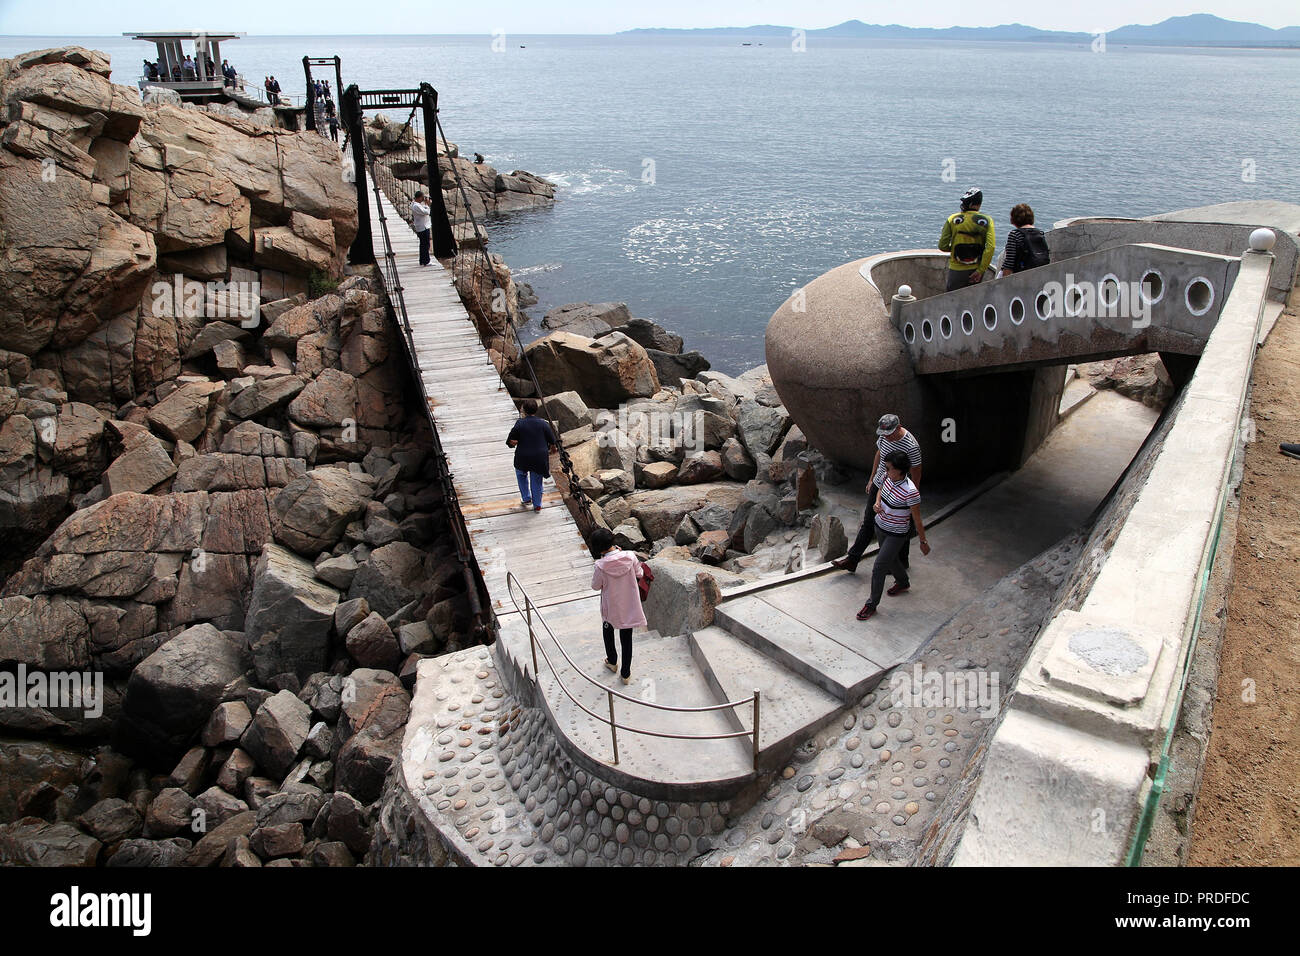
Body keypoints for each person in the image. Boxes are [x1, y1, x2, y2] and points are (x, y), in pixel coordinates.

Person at [834, 413, 923, 573]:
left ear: (898, 428)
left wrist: (912, 496)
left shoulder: (911, 445)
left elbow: (916, 471)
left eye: (889, 434)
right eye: (883, 435)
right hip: (880, 483)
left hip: (899, 488)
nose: (886, 438)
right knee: (869, 522)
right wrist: (871, 478)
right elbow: (879, 454)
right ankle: (852, 559)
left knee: (901, 525)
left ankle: (902, 562)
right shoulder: (884, 438)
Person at [856, 451, 931, 621]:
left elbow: (917, 519)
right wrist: (876, 502)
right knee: (890, 559)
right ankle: (903, 582)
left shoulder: (911, 492)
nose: (886, 470)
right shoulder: (886, 477)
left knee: (879, 567)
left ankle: (871, 604)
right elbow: (880, 490)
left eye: (889, 468)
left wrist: (923, 541)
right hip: (880, 526)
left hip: (896, 534)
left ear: (899, 470)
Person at [589, 527, 646, 685]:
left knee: (608, 631)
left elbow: (595, 586)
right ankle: (626, 673)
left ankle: (612, 661)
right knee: (626, 637)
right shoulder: (629, 556)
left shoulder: (600, 565)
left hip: (611, 606)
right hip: (629, 603)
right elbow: (639, 573)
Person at [939, 187, 995, 291]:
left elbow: (942, 245)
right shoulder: (987, 220)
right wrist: (981, 270)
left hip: (956, 268)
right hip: (976, 269)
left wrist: (954, 248)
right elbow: (990, 247)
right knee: (973, 300)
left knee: (952, 299)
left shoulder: (952, 219)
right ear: (979, 204)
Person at [506, 399, 557, 512]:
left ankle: (526, 497)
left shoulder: (520, 423)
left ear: (523, 409)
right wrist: (553, 449)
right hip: (539, 457)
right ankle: (537, 504)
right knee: (536, 480)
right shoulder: (543, 423)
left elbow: (511, 440)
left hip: (523, 456)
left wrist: (512, 443)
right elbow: (552, 440)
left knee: (521, 474)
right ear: (536, 409)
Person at [997, 203, 1051, 277]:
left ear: (1014, 219)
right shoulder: (1040, 233)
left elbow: (1009, 264)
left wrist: (1003, 283)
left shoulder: (1015, 234)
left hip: (1020, 277)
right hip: (1038, 276)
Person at [411, 190, 433, 266]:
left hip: (422, 226)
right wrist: (428, 205)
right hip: (423, 227)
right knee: (425, 245)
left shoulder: (415, 204)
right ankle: (426, 261)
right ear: (419, 197)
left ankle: (422, 260)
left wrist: (426, 204)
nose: (423, 199)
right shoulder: (416, 206)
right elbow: (426, 212)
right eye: (422, 197)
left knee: (423, 245)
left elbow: (423, 209)